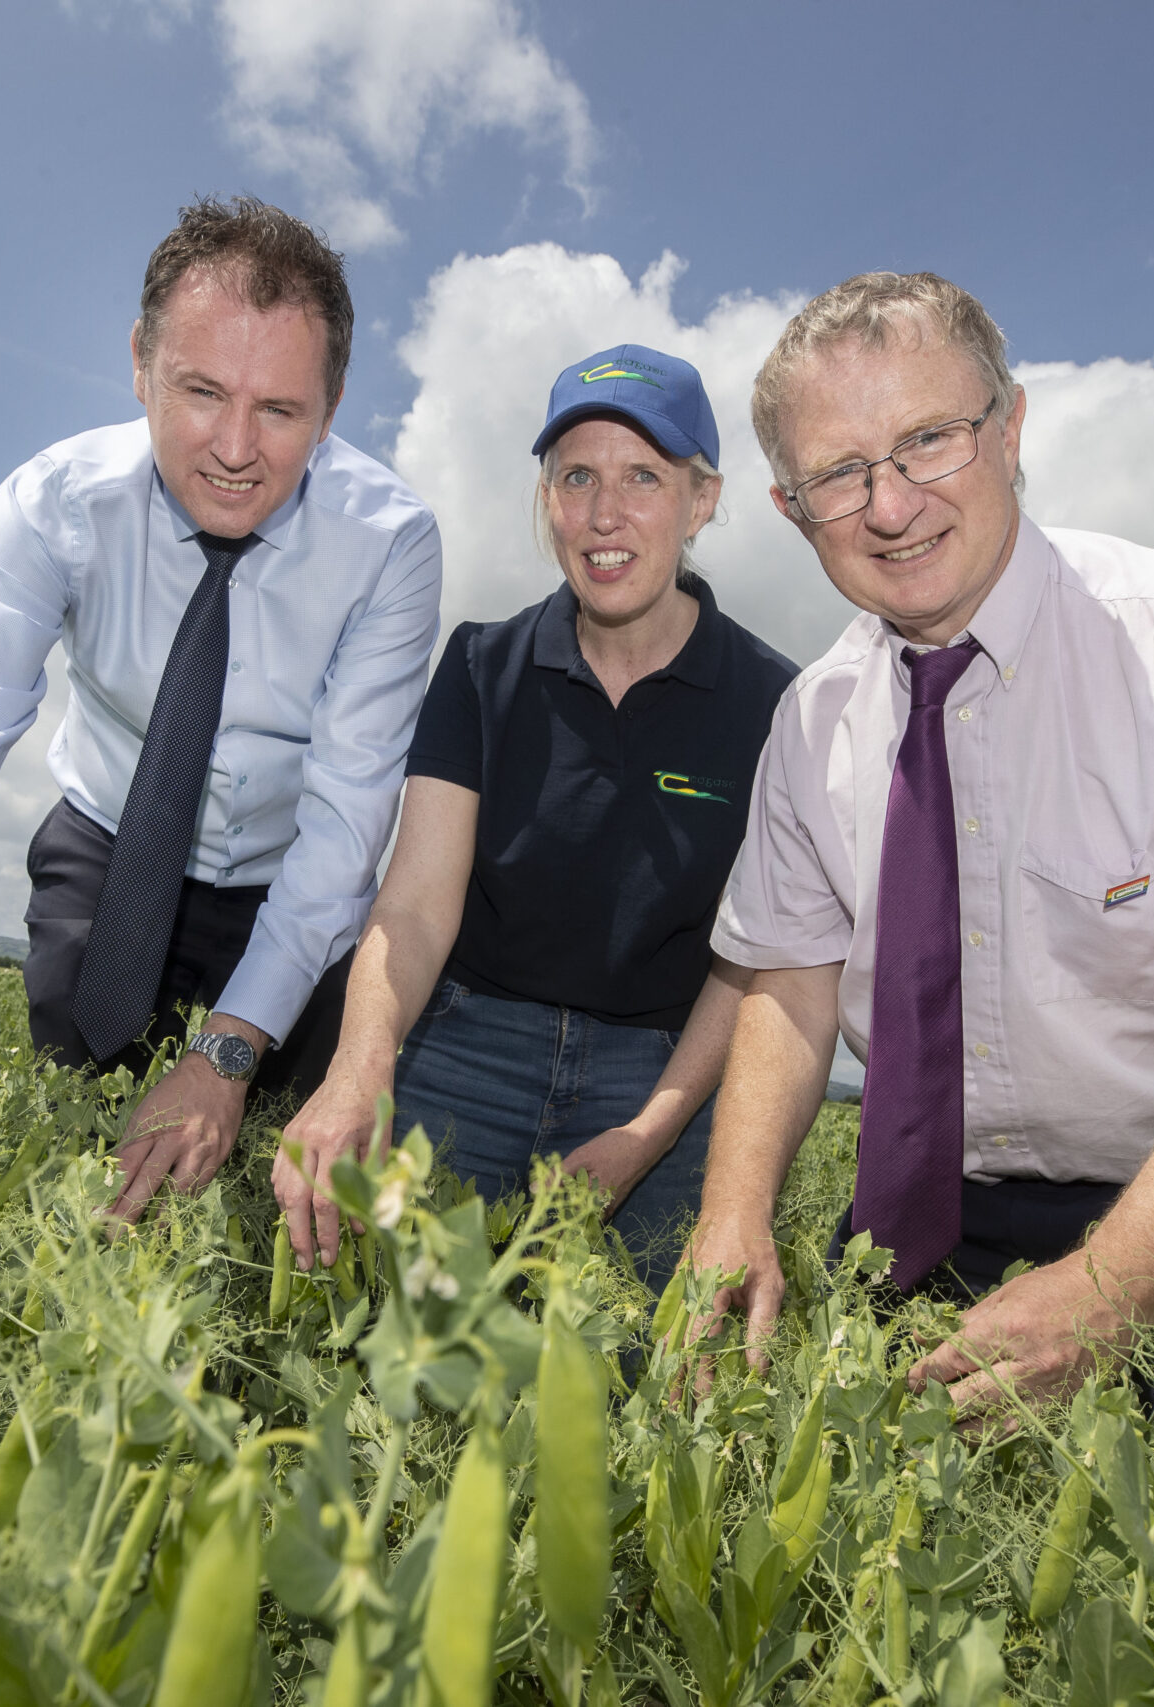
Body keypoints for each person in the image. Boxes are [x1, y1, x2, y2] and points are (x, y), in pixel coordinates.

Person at [689, 272, 1154, 1411]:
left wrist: (1117, 1282)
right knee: (877, 1573)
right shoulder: (814, 717)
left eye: (929, 439)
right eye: (837, 473)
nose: (889, 505)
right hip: (923, 1227)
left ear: (1012, 428)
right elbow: (789, 985)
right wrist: (733, 1217)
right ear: (790, 510)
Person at [0, 197, 442, 1227]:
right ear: (139, 361)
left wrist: (225, 1054)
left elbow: (346, 828)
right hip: (109, 844)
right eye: (201, 391)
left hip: (282, 881)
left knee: (258, 1181)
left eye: (282, 412)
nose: (236, 449)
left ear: (333, 407)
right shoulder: (50, 505)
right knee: (78, 1124)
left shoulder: (390, 546)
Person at [275, 346, 798, 1290]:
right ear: (547, 495)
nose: (606, 514)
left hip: (661, 1067)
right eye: (577, 477)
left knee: (639, 1370)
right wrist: (360, 1068)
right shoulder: (481, 665)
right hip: (471, 1039)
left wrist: (647, 1132)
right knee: (391, 1321)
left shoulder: (776, 703)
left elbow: (753, 954)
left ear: (702, 499)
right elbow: (419, 905)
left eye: (645, 476)